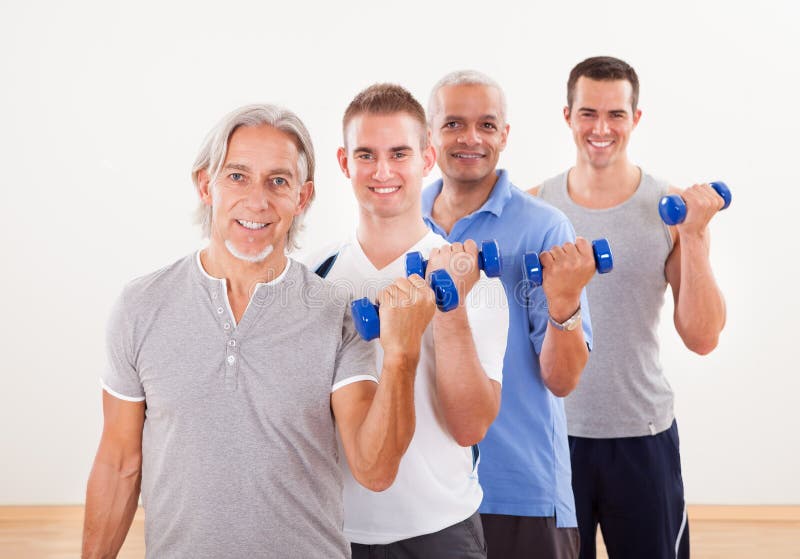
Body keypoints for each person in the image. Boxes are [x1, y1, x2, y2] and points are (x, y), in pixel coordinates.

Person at [81, 103, 437, 559]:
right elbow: (119, 465)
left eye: (278, 181)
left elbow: (375, 470)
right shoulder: (141, 306)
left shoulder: (336, 314)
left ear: (302, 198)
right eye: (238, 176)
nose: (257, 201)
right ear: (206, 185)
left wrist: (403, 355)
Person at [298, 83, 509, 558]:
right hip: (333, 531)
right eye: (366, 155)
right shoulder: (314, 277)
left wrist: (450, 309)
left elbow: (470, 428)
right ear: (344, 162)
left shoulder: (472, 279)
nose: (383, 171)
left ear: (427, 158)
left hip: (441, 532)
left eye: (399, 153)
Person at [530, 56, 727, 559]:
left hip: (642, 434)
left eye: (615, 114)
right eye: (588, 113)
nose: (601, 128)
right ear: (568, 116)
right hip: (553, 437)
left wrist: (694, 237)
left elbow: (703, 337)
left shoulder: (672, 210)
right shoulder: (535, 211)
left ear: (635, 119)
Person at [425, 70, 596, 559]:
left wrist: (564, 302)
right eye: (453, 124)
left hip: (520, 492)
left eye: (486, 124)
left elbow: (562, 380)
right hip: (428, 493)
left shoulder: (545, 228)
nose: (470, 138)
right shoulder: (405, 222)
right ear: (430, 135)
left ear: (504, 135)